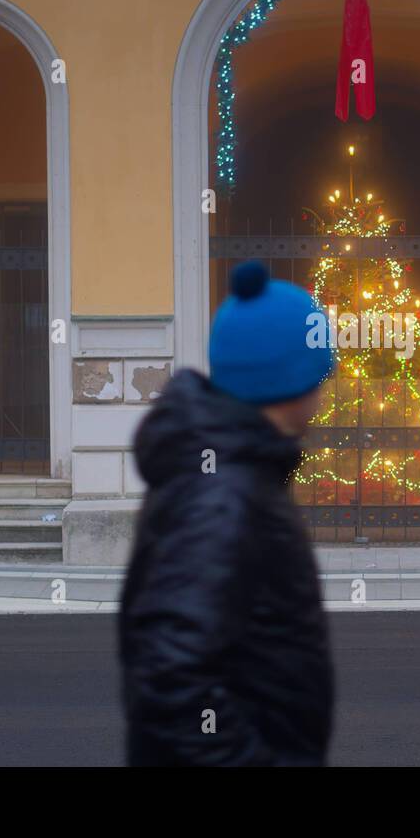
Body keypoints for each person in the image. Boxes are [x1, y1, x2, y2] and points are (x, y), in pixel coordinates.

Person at [118, 260, 337, 766]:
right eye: (323, 366)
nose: (329, 382)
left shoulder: (233, 473)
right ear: (290, 377)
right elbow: (170, 681)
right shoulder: (223, 496)